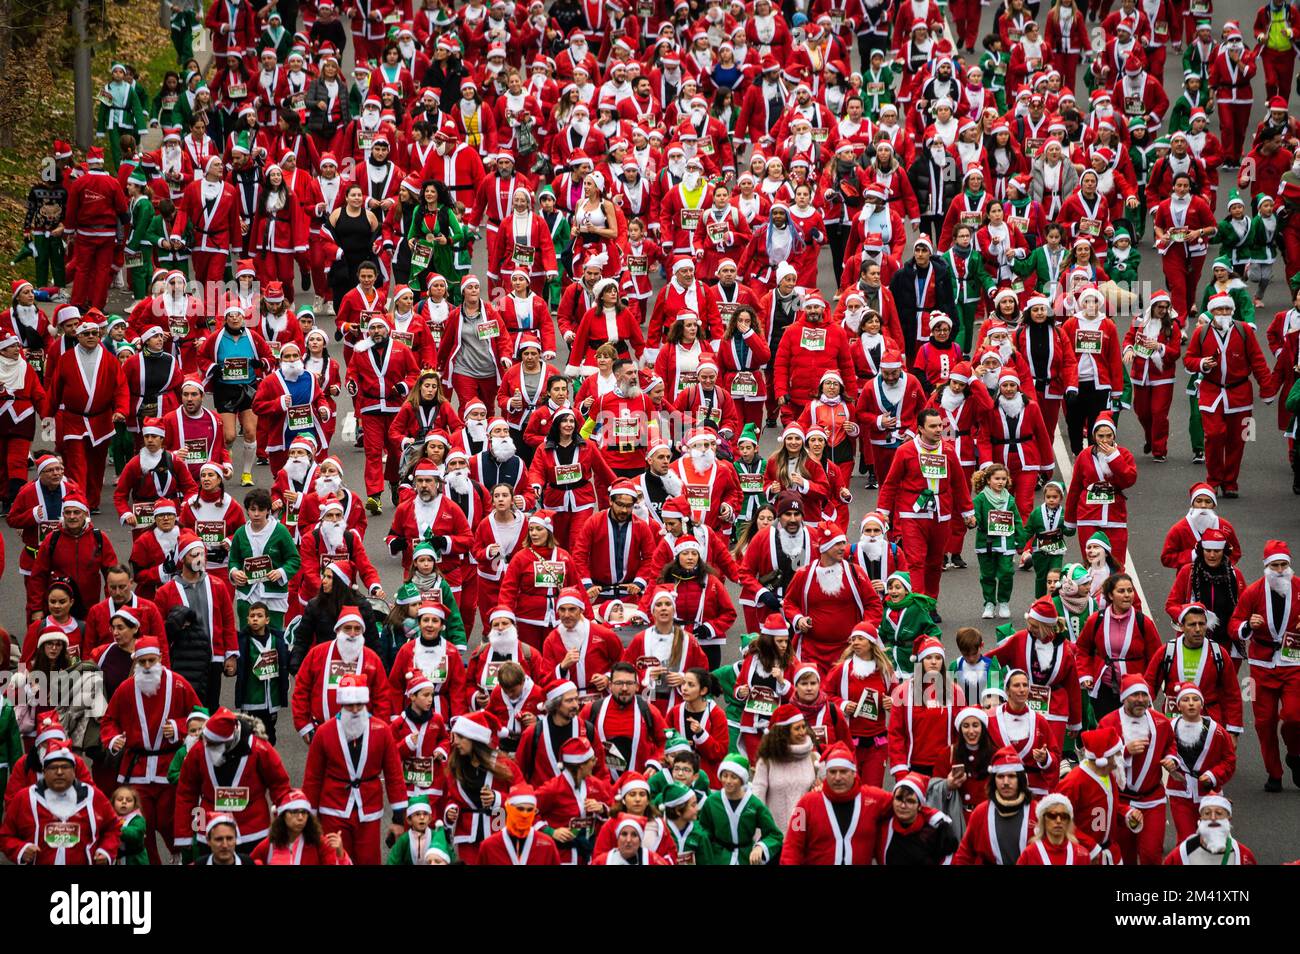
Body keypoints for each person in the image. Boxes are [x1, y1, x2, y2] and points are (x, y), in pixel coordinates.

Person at [100, 635, 200, 863]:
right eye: (142, 661)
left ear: (161, 659)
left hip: (168, 766)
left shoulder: (178, 684)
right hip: (137, 769)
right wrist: (113, 739)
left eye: (151, 661)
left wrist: (178, 727)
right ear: (135, 661)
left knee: (171, 820)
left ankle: (181, 855)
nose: (146, 667)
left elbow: (200, 715)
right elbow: (109, 721)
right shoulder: (126, 689)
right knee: (143, 824)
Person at [301, 673, 408, 866]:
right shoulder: (324, 732)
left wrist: (399, 818)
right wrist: (309, 817)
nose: (356, 710)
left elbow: (394, 775)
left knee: (369, 859)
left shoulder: (382, 730)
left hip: (369, 807)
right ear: (341, 704)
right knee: (334, 858)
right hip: (333, 807)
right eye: (350, 705)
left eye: (360, 704)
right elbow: (312, 778)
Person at [876, 407, 976, 606]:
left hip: (941, 513)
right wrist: (883, 513)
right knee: (915, 561)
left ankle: (930, 603)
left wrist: (968, 512)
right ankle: (918, 605)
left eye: (940, 425)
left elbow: (959, 484)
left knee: (935, 562)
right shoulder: (905, 451)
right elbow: (891, 483)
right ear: (920, 428)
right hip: (911, 513)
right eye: (933, 426)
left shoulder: (947, 451)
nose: (939, 429)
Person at [1183, 292, 1277, 497]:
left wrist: (1267, 389)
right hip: (1211, 391)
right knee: (1214, 435)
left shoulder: (1244, 331)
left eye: (1227, 309)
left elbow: (1258, 361)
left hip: (1240, 394)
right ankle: (1213, 480)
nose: (1224, 313)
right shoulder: (1202, 333)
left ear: (1232, 311)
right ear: (1212, 311)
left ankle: (1230, 482)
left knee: (1238, 439)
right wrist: (1201, 364)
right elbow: (1188, 359)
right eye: (1219, 309)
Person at [1228, 541, 1300, 792]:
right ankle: (1274, 773)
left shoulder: (1299, 588)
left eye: (1284, 564)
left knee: (1294, 716)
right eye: (1274, 565)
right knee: (1263, 722)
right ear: (1266, 567)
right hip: (1261, 666)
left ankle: (1295, 754)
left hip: (1293, 662)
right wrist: (1248, 624)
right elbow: (1233, 625)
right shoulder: (1254, 592)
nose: (1280, 569)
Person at [172, 706, 292, 857]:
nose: (207, 746)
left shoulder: (259, 748)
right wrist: (184, 835)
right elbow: (186, 792)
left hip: (253, 829)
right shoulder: (199, 749)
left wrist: (285, 824)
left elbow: (279, 785)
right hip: (209, 827)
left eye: (214, 744)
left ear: (230, 740)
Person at [0, 740, 120, 865]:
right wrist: (20, 850)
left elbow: (113, 828)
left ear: (74, 771)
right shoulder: (24, 798)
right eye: (52, 767)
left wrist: (106, 851)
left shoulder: (93, 797)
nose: (59, 772)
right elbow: (5, 835)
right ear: (44, 772)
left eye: (65, 767)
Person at [952, 748, 1037, 865]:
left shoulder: (1038, 811)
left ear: (1021, 779)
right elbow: (964, 855)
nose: (1006, 782)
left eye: (1011, 776)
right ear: (993, 780)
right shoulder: (981, 813)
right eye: (1000, 776)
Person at [697, 752, 783, 865]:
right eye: (725, 775)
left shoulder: (754, 804)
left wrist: (760, 847)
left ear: (742, 779)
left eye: (734, 777)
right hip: (719, 857)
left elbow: (774, 834)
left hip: (746, 858)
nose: (728, 781)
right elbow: (704, 830)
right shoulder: (712, 801)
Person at [751, 704, 821, 832]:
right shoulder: (767, 761)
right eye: (797, 728)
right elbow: (757, 800)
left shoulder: (814, 759)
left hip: (805, 836)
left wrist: (820, 789)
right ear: (783, 733)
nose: (802, 732)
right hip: (775, 837)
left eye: (803, 726)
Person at [877, 771, 960, 864]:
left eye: (910, 801)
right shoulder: (884, 828)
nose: (903, 806)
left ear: (920, 806)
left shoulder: (935, 833)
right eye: (899, 799)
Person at [251, 790, 353, 865]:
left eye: (304, 812)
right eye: (294, 812)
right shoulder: (269, 845)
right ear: (283, 815)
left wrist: (340, 854)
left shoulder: (320, 843)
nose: (300, 818)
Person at [478, 783, 562, 865]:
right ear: (508, 808)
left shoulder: (547, 845)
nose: (525, 815)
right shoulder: (489, 846)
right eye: (520, 809)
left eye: (530, 810)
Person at [1162, 792, 1257, 864]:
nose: (1213, 818)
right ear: (1201, 818)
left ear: (1228, 818)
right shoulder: (1183, 852)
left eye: (1219, 813)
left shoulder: (1242, 855)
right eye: (1207, 813)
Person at [1015, 792, 1090, 865]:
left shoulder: (1082, 854)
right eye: (1052, 816)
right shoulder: (1029, 854)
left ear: (1069, 821)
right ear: (1043, 819)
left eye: (1063, 816)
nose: (1058, 821)